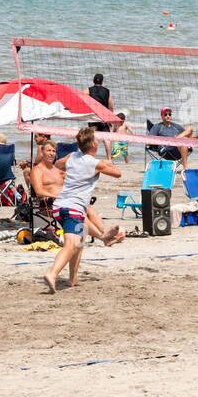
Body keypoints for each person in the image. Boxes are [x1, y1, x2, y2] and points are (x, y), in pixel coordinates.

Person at [44, 126, 123, 293]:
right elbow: (118, 174)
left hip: (59, 207)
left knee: (80, 239)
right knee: (71, 244)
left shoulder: (72, 156)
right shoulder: (96, 164)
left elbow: (58, 164)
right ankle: (52, 273)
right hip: (73, 208)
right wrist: (108, 163)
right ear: (94, 144)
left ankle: (72, 279)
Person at [30, 140, 122, 244]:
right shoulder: (37, 170)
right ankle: (103, 237)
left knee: (89, 208)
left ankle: (105, 234)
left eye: (53, 151)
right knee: (77, 210)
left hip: (67, 200)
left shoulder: (57, 169)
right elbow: (38, 191)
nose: (51, 153)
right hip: (49, 204)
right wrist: (57, 196)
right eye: (48, 151)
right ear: (42, 152)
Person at [85, 73, 115, 157]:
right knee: (107, 139)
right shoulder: (107, 91)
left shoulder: (89, 90)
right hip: (104, 117)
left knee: (93, 139)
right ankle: (109, 159)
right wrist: (111, 119)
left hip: (93, 117)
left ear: (93, 80)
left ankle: (93, 157)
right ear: (102, 81)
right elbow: (111, 106)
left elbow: (81, 95)